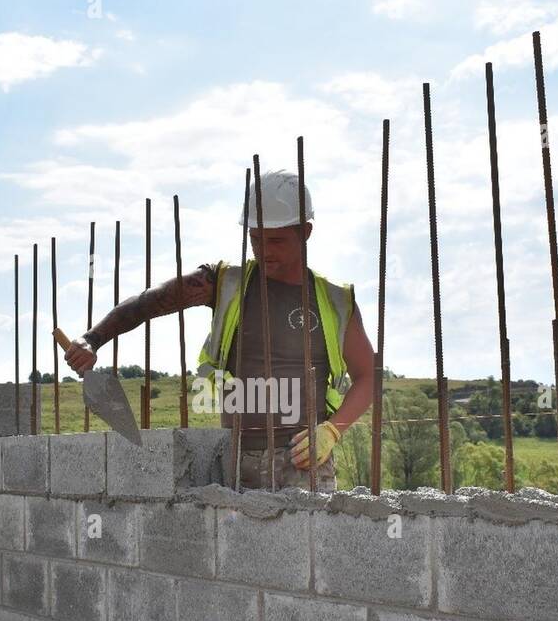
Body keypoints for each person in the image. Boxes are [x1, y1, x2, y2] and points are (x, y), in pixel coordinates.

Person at [63, 170, 374, 491]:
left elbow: (368, 375)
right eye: (255, 239)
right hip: (236, 460)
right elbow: (150, 302)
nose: (264, 250)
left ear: (305, 232)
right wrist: (93, 338)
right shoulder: (225, 282)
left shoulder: (335, 300)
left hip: (303, 465)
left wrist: (332, 431)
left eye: (277, 240)